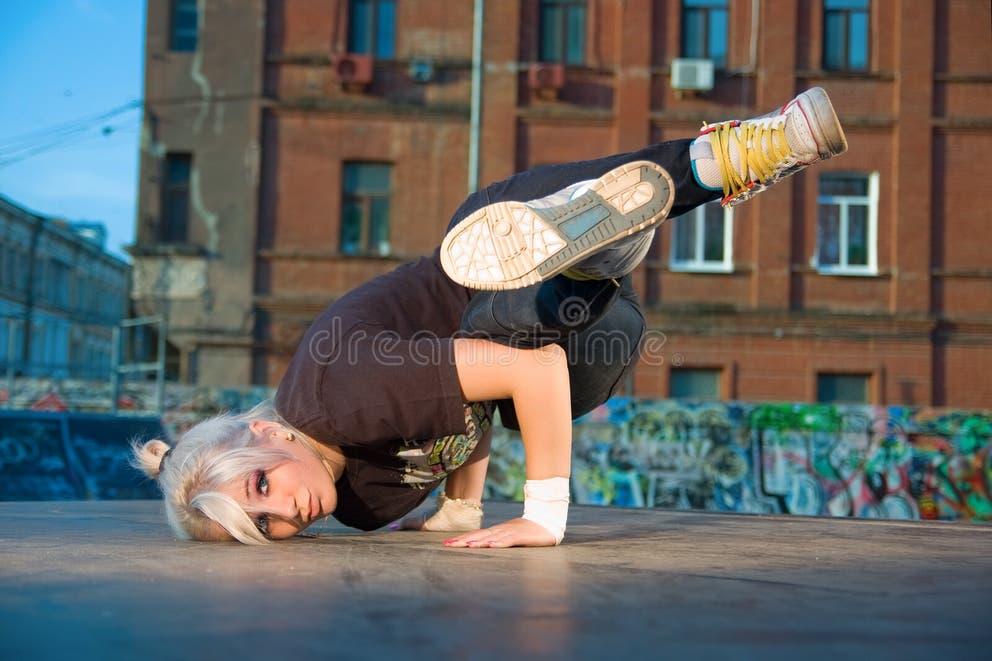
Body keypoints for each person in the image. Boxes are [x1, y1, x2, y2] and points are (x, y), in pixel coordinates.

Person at [133, 87, 848, 547]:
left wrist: (544, 512)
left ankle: (728, 158)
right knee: (561, 373)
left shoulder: (337, 394)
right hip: (586, 335)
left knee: (514, 315)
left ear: (261, 431)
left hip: (496, 257)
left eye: (263, 486)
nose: (287, 513)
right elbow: (457, 422)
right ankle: (594, 257)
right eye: (265, 527)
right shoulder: (357, 504)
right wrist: (460, 509)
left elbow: (528, 370)